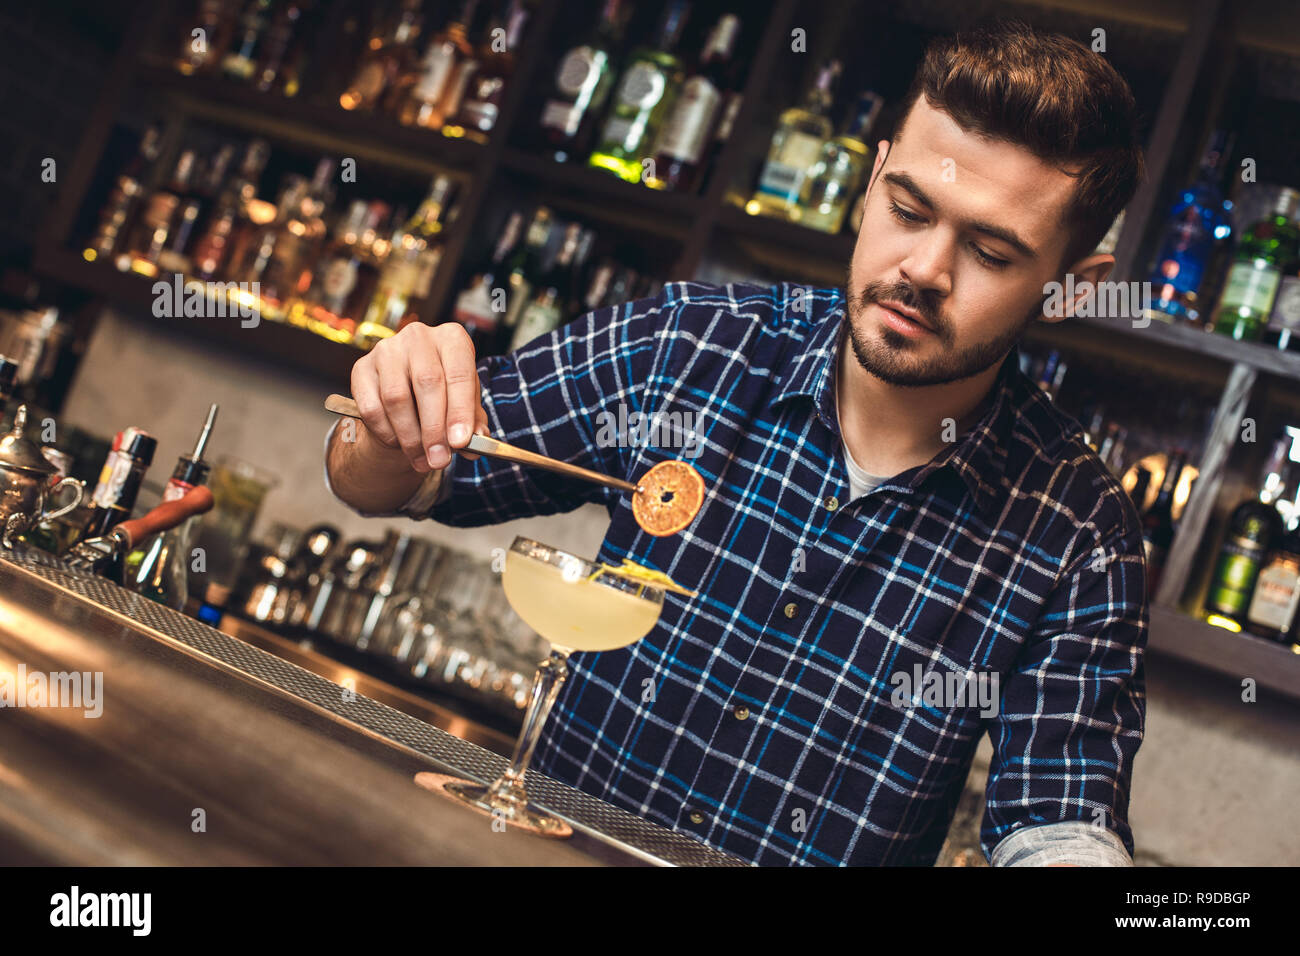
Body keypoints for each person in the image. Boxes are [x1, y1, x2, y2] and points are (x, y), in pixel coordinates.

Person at [325, 18, 1147, 866]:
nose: (925, 269)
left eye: (990, 252)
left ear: (1071, 291)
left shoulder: (1078, 527)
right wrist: (392, 413)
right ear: (871, 182)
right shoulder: (692, 343)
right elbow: (385, 480)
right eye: (907, 209)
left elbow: (1060, 818)